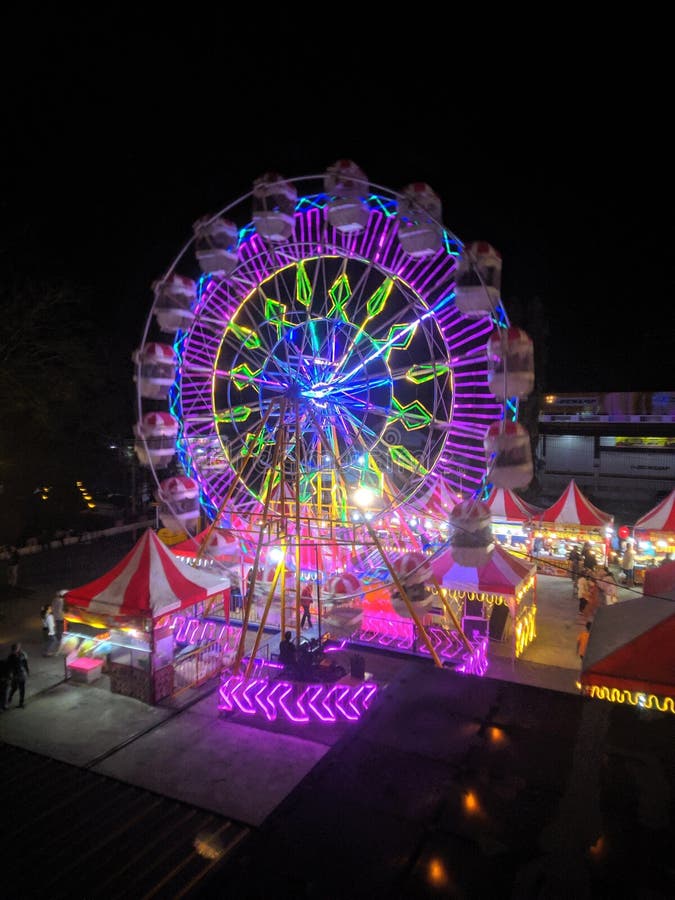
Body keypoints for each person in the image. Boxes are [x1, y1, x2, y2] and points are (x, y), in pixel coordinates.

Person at [5, 642, 29, 708]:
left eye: (17, 648)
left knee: (21, 689)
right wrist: (9, 675)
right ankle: (9, 699)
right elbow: (8, 667)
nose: (17, 649)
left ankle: (21, 703)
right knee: (14, 688)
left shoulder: (22, 654)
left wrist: (27, 671)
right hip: (16, 675)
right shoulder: (11, 657)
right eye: (16, 648)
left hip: (21, 674)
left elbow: (25, 664)